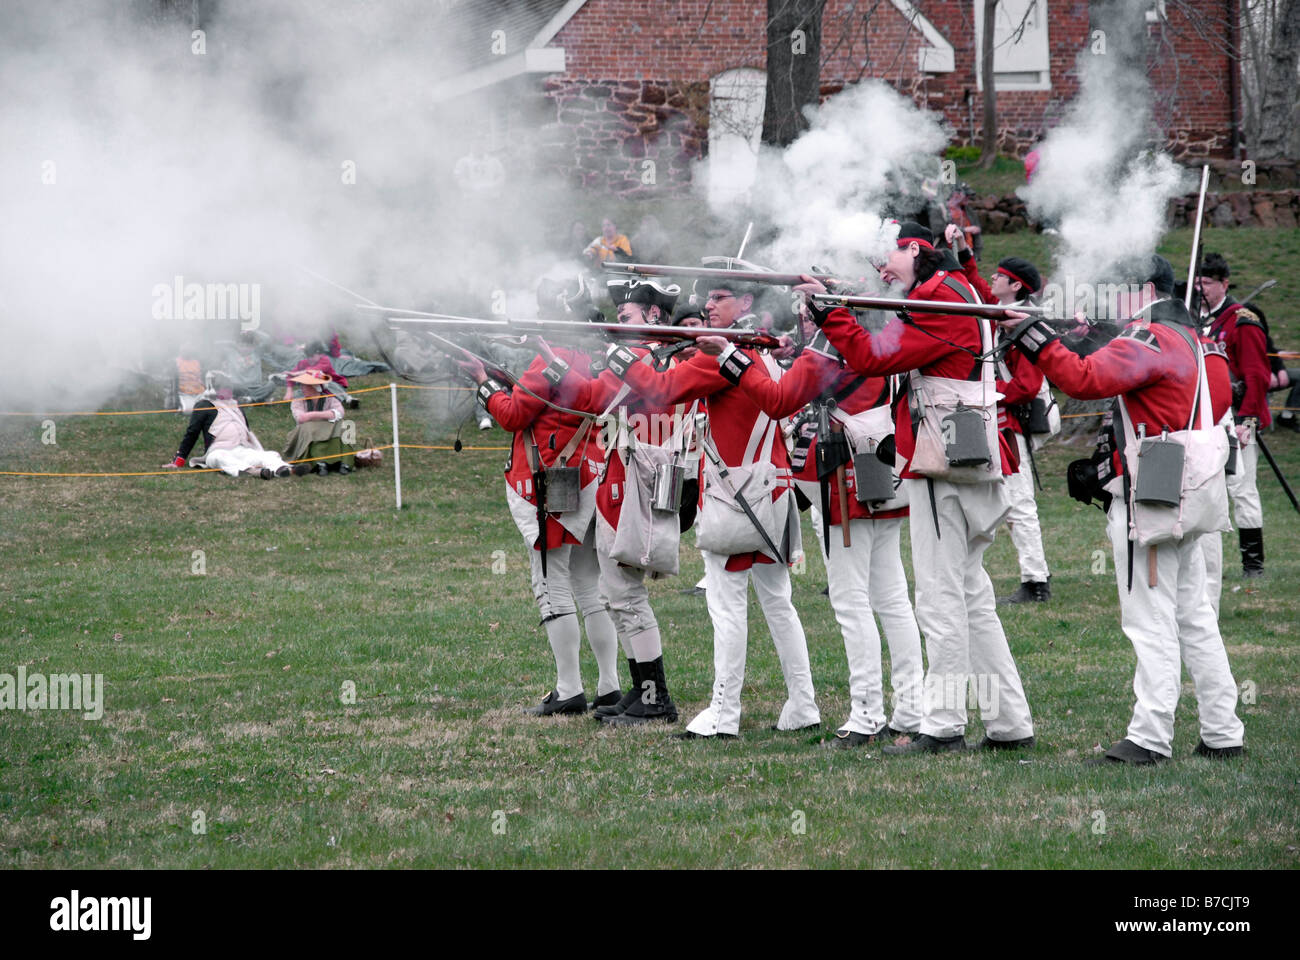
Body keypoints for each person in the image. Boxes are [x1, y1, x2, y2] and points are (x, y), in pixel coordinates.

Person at [796, 221, 1035, 755]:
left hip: (942, 462)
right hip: (960, 454)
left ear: (916, 250)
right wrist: (835, 302)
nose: (884, 266)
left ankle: (944, 724)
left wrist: (828, 310)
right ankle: (1009, 722)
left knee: (940, 597)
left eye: (891, 254)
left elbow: (873, 358)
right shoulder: (954, 291)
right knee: (971, 598)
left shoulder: (934, 295)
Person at [1001, 255, 1245, 763]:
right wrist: (1087, 339)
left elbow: (1085, 382)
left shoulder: (1151, 338)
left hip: (1153, 496)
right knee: (1196, 618)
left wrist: (1035, 337)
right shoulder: (1200, 341)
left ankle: (1150, 738)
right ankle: (1223, 733)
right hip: (1192, 489)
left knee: (1149, 621)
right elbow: (1200, 396)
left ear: (1142, 289)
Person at [601, 274, 820, 740]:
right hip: (770, 491)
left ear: (744, 300)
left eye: (719, 297)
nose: (708, 304)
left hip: (734, 496)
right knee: (778, 604)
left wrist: (620, 354)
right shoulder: (756, 346)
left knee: (727, 608)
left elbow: (659, 390)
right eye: (709, 298)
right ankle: (803, 703)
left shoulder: (724, 354)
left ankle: (724, 712)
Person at [698, 306, 925, 747]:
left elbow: (778, 399)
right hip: (886, 469)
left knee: (851, 600)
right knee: (893, 598)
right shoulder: (883, 332)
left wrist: (728, 353)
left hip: (846, 480)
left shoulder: (830, 344)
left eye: (810, 310)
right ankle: (911, 707)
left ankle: (866, 714)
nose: (804, 317)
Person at [460, 333, 621, 716]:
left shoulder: (553, 358)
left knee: (552, 586)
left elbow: (513, 415)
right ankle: (609, 686)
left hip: (552, 479)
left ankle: (569, 690)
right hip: (589, 473)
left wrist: (483, 383)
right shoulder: (595, 354)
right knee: (589, 585)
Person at [947, 225, 1053, 603]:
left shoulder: (1027, 324)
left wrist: (985, 395)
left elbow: (1025, 385)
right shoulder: (1004, 310)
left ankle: (1036, 580)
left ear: (1017, 286)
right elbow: (976, 284)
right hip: (1004, 418)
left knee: (1019, 501)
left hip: (1018, 421)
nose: (992, 279)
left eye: (1000, 277)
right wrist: (961, 247)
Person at [1199, 254, 1271, 578]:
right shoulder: (1192, 318)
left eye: (1209, 283)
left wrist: (1247, 422)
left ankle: (1252, 564)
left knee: (1242, 488)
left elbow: (1257, 377)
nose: (1202, 288)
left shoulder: (1244, 319)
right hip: (1204, 416)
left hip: (1236, 414)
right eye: (1199, 282)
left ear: (1224, 284)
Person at [163, 373, 291, 478]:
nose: (230, 391)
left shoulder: (235, 405)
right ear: (215, 389)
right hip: (218, 450)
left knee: (269, 455)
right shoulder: (204, 405)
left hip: (241, 450)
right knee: (218, 458)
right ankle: (253, 472)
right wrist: (178, 461)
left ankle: (282, 470)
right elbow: (192, 433)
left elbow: (246, 429)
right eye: (226, 388)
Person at [282, 369, 353, 476]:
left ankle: (345, 462)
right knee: (310, 428)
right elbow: (300, 418)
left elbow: (340, 412)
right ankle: (320, 463)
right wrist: (326, 416)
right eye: (302, 385)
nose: (302, 388)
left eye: (305, 385)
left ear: (315, 387)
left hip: (328, 428)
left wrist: (312, 415)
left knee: (348, 425)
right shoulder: (298, 401)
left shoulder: (330, 399)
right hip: (306, 432)